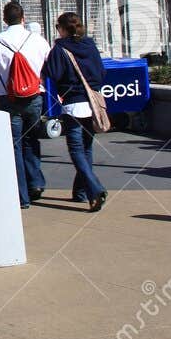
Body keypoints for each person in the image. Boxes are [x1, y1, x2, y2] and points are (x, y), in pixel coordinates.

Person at [0, 2, 51, 209]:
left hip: (7, 99)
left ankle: (21, 195)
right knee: (32, 140)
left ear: (4, 19)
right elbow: (48, 67)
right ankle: (36, 182)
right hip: (34, 96)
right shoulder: (38, 40)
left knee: (14, 146)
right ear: (23, 18)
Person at [45, 12, 108, 211]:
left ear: (62, 29)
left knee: (76, 151)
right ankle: (82, 192)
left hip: (73, 103)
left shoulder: (60, 49)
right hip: (91, 103)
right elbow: (101, 72)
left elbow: (52, 74)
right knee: (87, 148)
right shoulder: (90, 45)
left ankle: (95, 188)